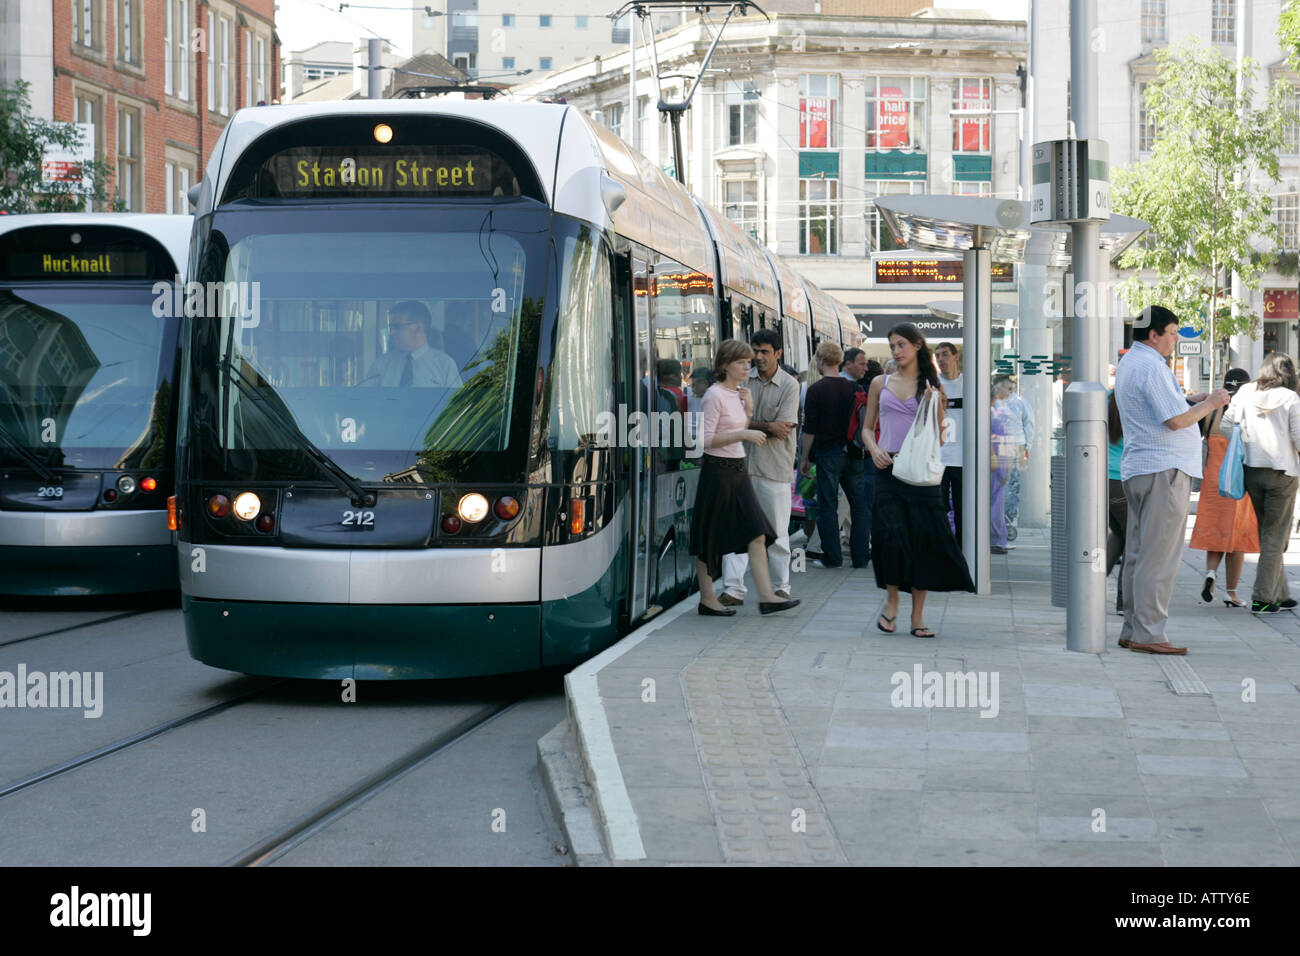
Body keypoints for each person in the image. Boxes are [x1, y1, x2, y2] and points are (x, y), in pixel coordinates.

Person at [1115, 305, 1230, 654]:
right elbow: (1176, 422)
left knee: (1138, 553)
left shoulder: (1132, 362)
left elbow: (1169, 410)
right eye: (1172, 332)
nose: (1176, 339)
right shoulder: (1152, 366)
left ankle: (1134, 627)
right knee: (1158, 556)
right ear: (1155, 334)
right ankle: (1149, 633)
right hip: (1163, 470)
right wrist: (1210, 402)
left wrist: (1188, 399)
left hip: (1143, 467)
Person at [861, 323, 974, 638]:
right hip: (887, 468)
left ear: (916, 346)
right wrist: (873, 448)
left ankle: (918, 617)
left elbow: (938, 437)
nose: (896, 352)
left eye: (901, 345)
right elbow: (867, 428)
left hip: (920, 473)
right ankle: (892, 603)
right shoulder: (879, 383)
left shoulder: (933, 388)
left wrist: (932, 404)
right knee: (889, 537)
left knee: (923, 541)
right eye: (892, 346)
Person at [691, 339, 800, 617]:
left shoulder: (738, 393)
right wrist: (744, 433)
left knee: (757, 532)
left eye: (748, 361)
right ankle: (708, 599)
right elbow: (704, 440)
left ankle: (766, 596)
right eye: (742, 362)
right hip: (718, 472)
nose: (747, 366)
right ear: (725, 365)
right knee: (710, 536)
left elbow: (737, 424)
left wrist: (748, 410)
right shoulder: (714, 395)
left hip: (737, 471)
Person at [721, 329, 801, 606]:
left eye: (765, 351)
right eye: (755, 351)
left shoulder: (790, 385)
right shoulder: (742, 379)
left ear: (778, 353)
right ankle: (733, 590)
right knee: (734, 529)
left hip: (774, 468)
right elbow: (731, 423)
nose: (758, 357)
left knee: (777, 532)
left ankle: (781, 588)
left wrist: (749, 422)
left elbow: (784, 428)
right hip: (740, 466)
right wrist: (766, 424)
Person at [1219, 354, 1300, 614]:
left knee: (1269, 531)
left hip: (1251, 470)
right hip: (1282, 473)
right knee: (1276, 535)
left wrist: (1245, 442)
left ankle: (1281, 593)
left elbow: (1225, 425)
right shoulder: (1290, 398)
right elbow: (1298, 437)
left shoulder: (1245, 392)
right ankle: (1263, 597)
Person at [1188, 368, 1258, 609]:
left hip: (1213, 482)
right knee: (1237, 537)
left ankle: (1210, 573)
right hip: (1239, 481)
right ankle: (1232, 592)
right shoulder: (1249, 410)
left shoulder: (1212, 410)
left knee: (1216, 533)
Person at [798, 341, 871, 569]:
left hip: (828, 455)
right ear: (839, 361)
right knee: (859, 506)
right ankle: (860, 558)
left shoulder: (816, 390)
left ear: (821, 361)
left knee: (827, 506)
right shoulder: (856, 389)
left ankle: (832, 557)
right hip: (855, 453)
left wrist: (804, 458)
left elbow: (809, 429)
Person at [363, 301, 462, 387]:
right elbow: (366, 400)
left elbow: (457, 405)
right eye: (390, 327)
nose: (392, 332)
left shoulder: (444, 365)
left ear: (418, 327)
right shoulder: (381, 365)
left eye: (397, 326)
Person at [994, 374, 1035, 538]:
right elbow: (1029, 425)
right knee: (1013, 486)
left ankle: (1003, 520)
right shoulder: (1021, 403)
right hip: (1016, 446)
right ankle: (1007, 520)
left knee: (1002, 485)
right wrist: (1027, 447)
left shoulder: (993, 402)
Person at [934, 342, 963, 544]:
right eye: (937, 356)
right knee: (939, 508)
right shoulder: (932, 384)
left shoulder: (971, 383)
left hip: (963, 457)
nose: (941, 359)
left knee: (963, 509)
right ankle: (942, 548)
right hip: (939, 458)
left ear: (956, 357)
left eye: (945, 354)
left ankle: (962, 548)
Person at [1105, 391, 1128, 613]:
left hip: (1099, 479)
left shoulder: (1105, 399)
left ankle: (1089, 583)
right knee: (1134, 540)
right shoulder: (1132, 403)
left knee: (1120, 535)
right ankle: (1124, 601)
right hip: (1121, 479)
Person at [990, 383, 1016, 554]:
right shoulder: (997, 415)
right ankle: (998, 539)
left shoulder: (986, 413)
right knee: (996, 502)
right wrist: (1006, 466)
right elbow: (1004, 441)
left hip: (990, 462)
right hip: (997, 463)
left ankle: (997, 537)